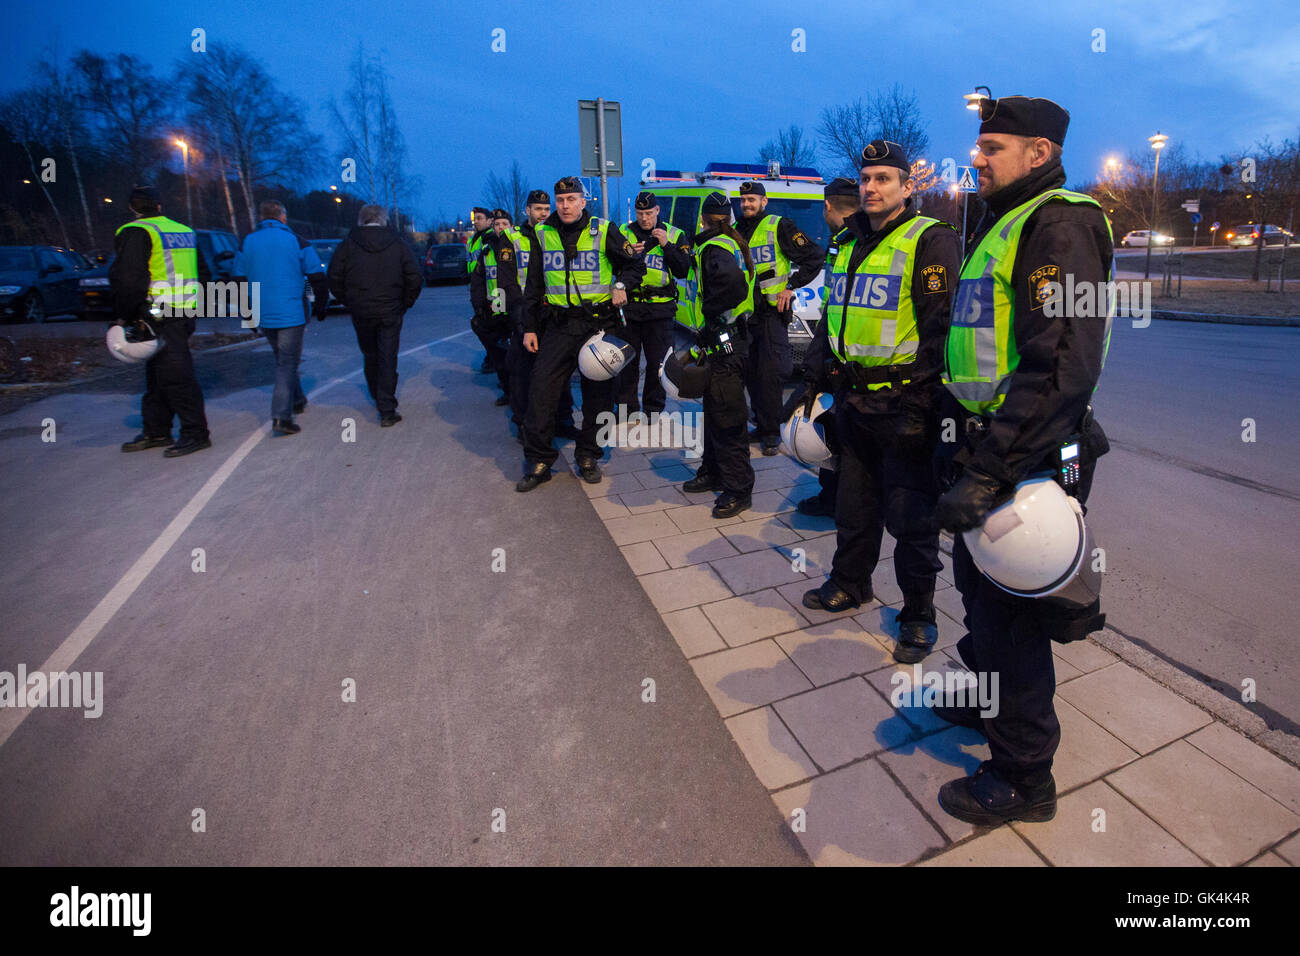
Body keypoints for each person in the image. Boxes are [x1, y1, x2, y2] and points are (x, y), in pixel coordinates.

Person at [932, 95, 1114, 826]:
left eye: (993, 147)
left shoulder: (1059, 222)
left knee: (1012, 624)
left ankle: (1023, 776)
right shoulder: (1007, 219)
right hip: (993, 445)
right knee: (982, 597)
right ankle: (989, 707)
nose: (976, 157)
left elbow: (1062, 364)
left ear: (1039, 153)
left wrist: (989, 471)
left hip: (1025, 456)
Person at [800, 142, 960, 669]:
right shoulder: (846, 244)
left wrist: (922, 403)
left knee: (912, 518)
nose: (871, 187)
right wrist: (817, 376)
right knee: (854, 504)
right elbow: (832, 315)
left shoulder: (928, 240)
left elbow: (941, 330)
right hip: (852, 400)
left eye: (884, 179)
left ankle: (919, 613)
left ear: (906, 187)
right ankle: (850, 583)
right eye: (866, 178)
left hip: (902, 404)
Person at [516, 176, 645, 491]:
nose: (564, 206)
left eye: (571, 199)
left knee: (598, 400)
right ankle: (540, 460)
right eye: (560, 201)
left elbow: (635, 267)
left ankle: (589, 456)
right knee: (541, 392)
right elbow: (533, 284)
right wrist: (529, 327)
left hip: (598, 326)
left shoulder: (602, 231)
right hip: (558, 326)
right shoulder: (543, 234)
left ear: (583, 201)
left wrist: (620, 285)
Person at [112, 185, 212, 458]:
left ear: (133, 208)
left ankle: (195, 432)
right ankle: (156, 430)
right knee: (158, 373)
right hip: (183, 312)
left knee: (176, 374)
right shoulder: (184, 231)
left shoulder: (136, 232)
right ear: (159, 205)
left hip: (157, 313)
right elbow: (204, 273)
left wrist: (124, 315)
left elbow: (129, 280)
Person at [678, 191, 757, 518]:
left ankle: (738, 488)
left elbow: (734, 286)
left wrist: (710, 314)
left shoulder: (715, 246)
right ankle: (713, 470)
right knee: (715, 411)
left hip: (725, 341)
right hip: (726, 340)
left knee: (728, 417)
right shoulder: (729, 241)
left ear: (704, 218)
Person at [733, 180, 824, 454]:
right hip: (747, 315)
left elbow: (814, 257)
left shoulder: (779, 225)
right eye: (744, 200)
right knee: (751, 374)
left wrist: (791, 286)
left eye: (753, 199)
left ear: (764, 201)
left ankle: (772, 433)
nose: (747, 204)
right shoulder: (737, 231)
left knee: (770, 375)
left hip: (772, 314)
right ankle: (761, 425)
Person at [232, 199, 329, 435]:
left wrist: (247, 314)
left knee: (283, 359)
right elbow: (316, 275)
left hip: (262, 313)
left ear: (262, 218)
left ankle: (297, 399)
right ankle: (281, 416)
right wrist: (320, 306)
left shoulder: (248, 242)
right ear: (283, 217)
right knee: (287, 362)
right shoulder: (297, 240)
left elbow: (237, 281)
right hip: (291, 312)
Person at [795, 176, 859, 517]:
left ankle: (841, 501)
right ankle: (831, 495)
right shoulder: (842, 241)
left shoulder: (856, 241)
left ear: (828, 206)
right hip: (836, 352)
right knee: (831, 426)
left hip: (853, 361)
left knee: (843, 435)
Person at [326, 204, 423, 426]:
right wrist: (405, 302)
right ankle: (387, 408)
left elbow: (333, 276)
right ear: (383, 219)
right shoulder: (398, 244)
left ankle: (377, 394)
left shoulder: (348, 245)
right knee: (388, 356)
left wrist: (348, 301)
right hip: (390, 309)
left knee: (370, 354)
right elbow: (414, 276)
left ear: (361, 220)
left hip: (361, 310)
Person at [504, 191, 578, 442]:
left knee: (560, 374)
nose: (543, 214)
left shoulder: (552, 235)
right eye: (537, 209)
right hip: (526, 316)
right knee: (525, 375)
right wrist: (523, 321)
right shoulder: (513, 238)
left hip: (553, 316)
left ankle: (563, 420)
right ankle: (525, 424)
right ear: (527, 211)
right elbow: (509, 284)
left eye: (546, 209)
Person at [615, 191, 692, 418]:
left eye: (649, 213)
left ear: (658, 211)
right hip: (630, 306)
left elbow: (683, 269)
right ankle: (626, 408)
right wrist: (628, 255)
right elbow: (611, 263)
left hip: (660, 308)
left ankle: (653, 408)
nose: (644, 219)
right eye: (640, 213)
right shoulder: (623, 233)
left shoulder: (675, 234)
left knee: (658, 363)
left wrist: (667, 246)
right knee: (627, 360)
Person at [469, 208, 517, 407]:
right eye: (497, 224)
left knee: (516, 355)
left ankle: (518, 392)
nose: (500, 228)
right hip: (495, 306)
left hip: (514, 306)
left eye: (505, 224)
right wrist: (479, 305)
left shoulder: (519, 245)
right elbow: (478, 279)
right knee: (499, 354)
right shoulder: (487, 249)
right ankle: (508, 390)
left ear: (511, 226)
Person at [466, 207, 493, 373]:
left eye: (480, 218)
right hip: (476, 286)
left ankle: (494, 359)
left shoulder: (490, 238)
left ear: (490, 220)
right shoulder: (473, 239)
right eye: (475, 218)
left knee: (487, 326)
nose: (476, 221)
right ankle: (492, 357)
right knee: (482, 324)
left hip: (488, 289)